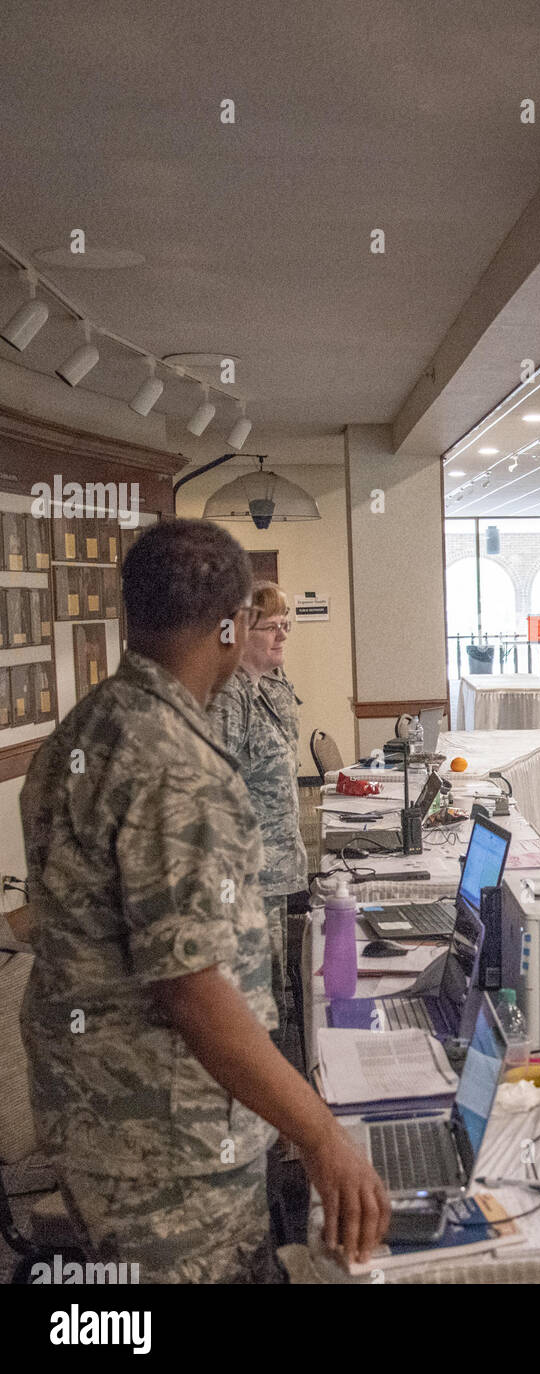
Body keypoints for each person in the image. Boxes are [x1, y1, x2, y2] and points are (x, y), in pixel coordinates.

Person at [19, 519, 388, 1282]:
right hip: (163, 1133)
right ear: (232, 625)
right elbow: (192, 990)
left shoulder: (92, 725)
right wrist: (319, 1134)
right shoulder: (172, 762)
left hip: (105, 1112)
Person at [211, 583, 307, 1050]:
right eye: (272, 627)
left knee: (279, 994)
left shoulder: (263, 687)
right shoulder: (229, 699)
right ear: (239, 632)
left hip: (275, 873)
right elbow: (212, 796)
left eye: (287, 624)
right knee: (261, 1011)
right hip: (247, 883)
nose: (283, 635)